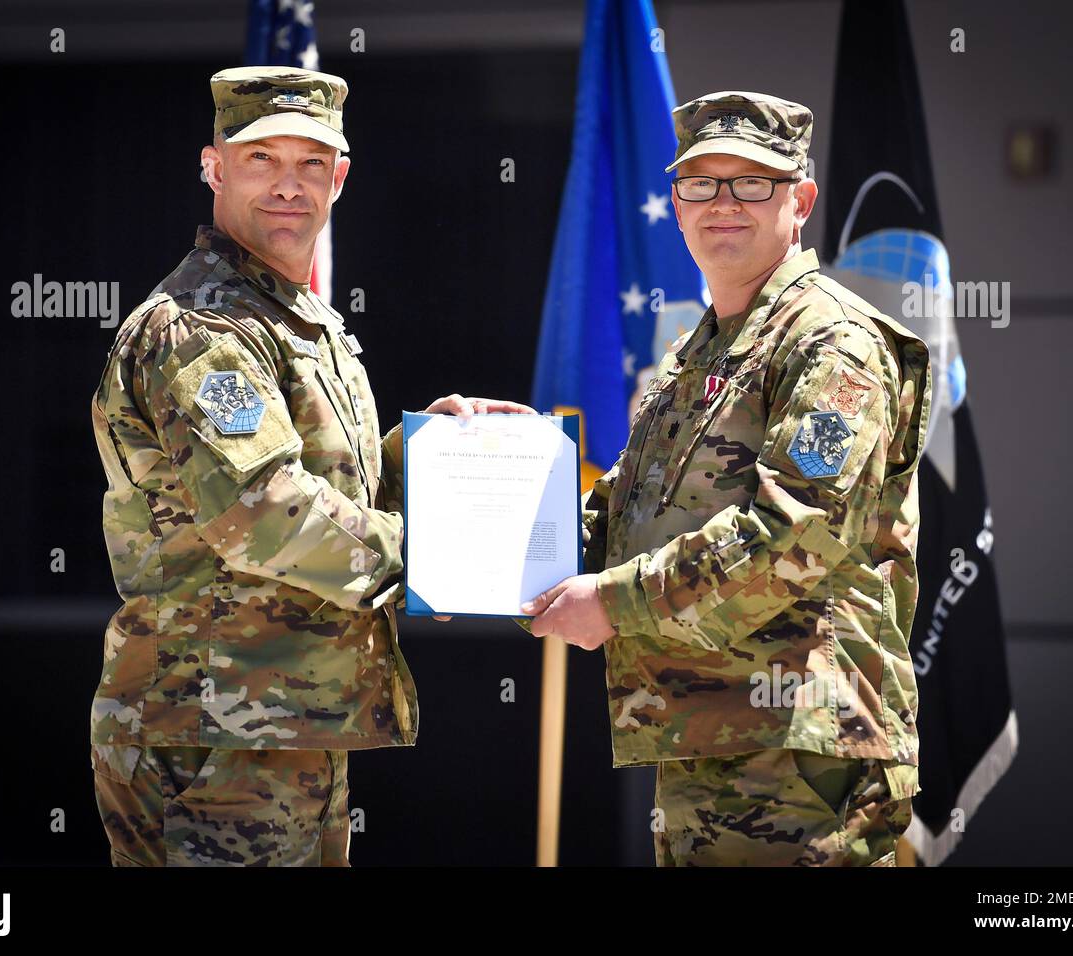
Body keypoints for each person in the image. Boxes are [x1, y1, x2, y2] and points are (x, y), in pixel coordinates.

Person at [89, 65, 531, 866]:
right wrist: (446, 551)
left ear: (341, 177)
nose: (288, 186)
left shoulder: (292, 316)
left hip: (278, 718)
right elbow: (265, 515)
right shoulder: (202, 329)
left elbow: (325, 485)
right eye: (262, 160)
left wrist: (430, 453)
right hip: (213, 724)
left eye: (311, 164)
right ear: (213, 166)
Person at [522, 91, 932, 866]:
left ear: (800, 200)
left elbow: (791, 539)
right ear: (676, 205)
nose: (723, 204)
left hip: (801, 757)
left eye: (752, 183)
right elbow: (617, 524)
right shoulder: (701, 355)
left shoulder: (831, 345)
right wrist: (485, 528)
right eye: (701, 184)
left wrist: (611, 603)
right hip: (711, 735)